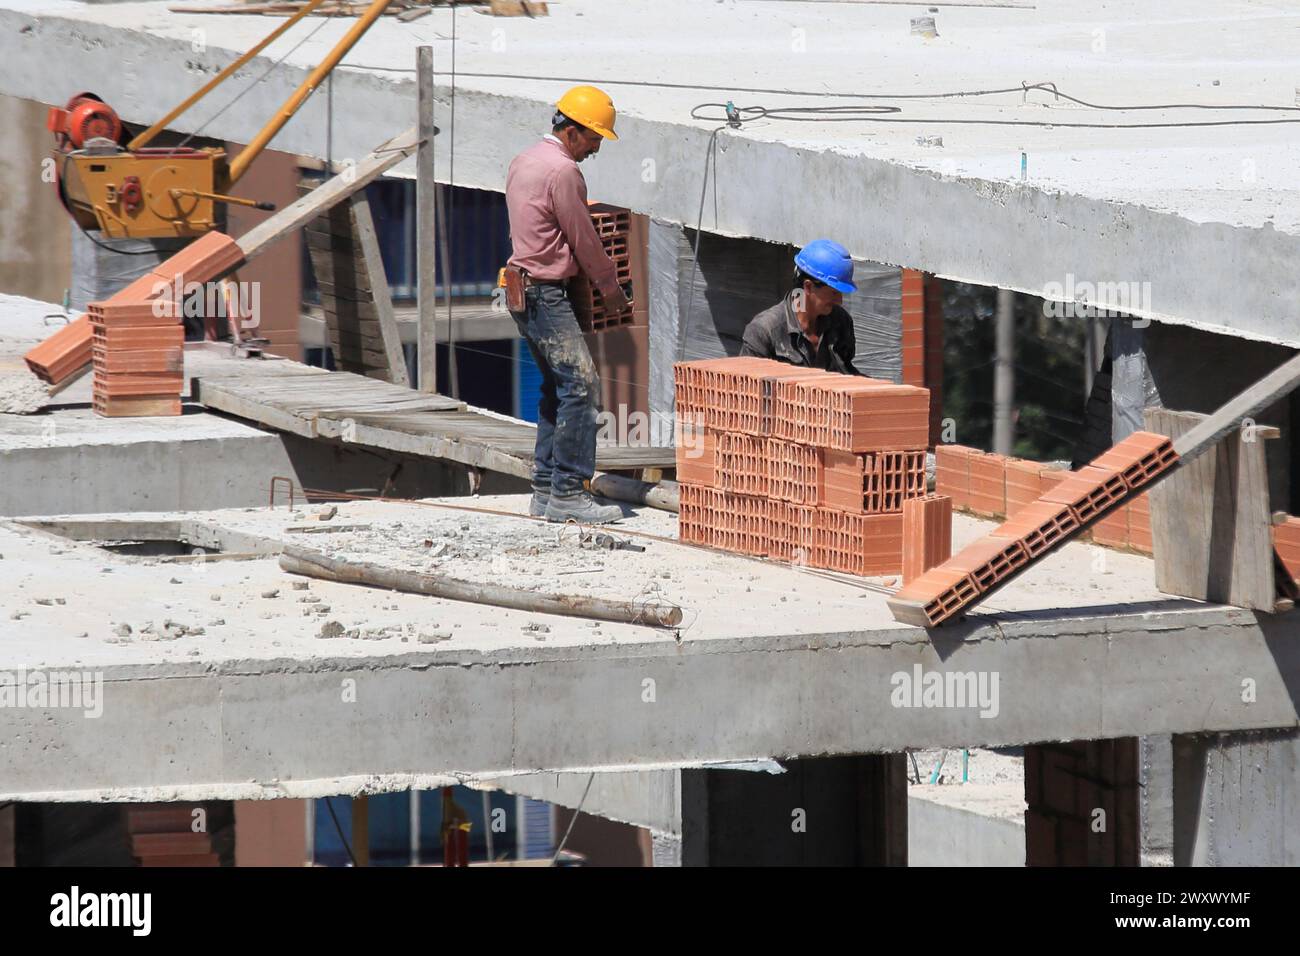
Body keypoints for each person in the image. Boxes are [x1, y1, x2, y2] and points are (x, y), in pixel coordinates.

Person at [503, 85, 632, 523]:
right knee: (581, 387)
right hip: (545, 293)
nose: (596, 149)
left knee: (555, 387)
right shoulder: (563, 173)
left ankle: (544, 490)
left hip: (522, 291)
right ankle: (569, 493)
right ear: (573, 131)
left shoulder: (524, 160)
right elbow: (583, 239)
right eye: (595, 138)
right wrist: (610, 288)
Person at [741, 239, 862, 375]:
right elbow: (747, 389)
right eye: (834, 292)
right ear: (808, 286)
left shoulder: (841, 321)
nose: (839, 300)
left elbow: (847, 373)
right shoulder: (763, 332)